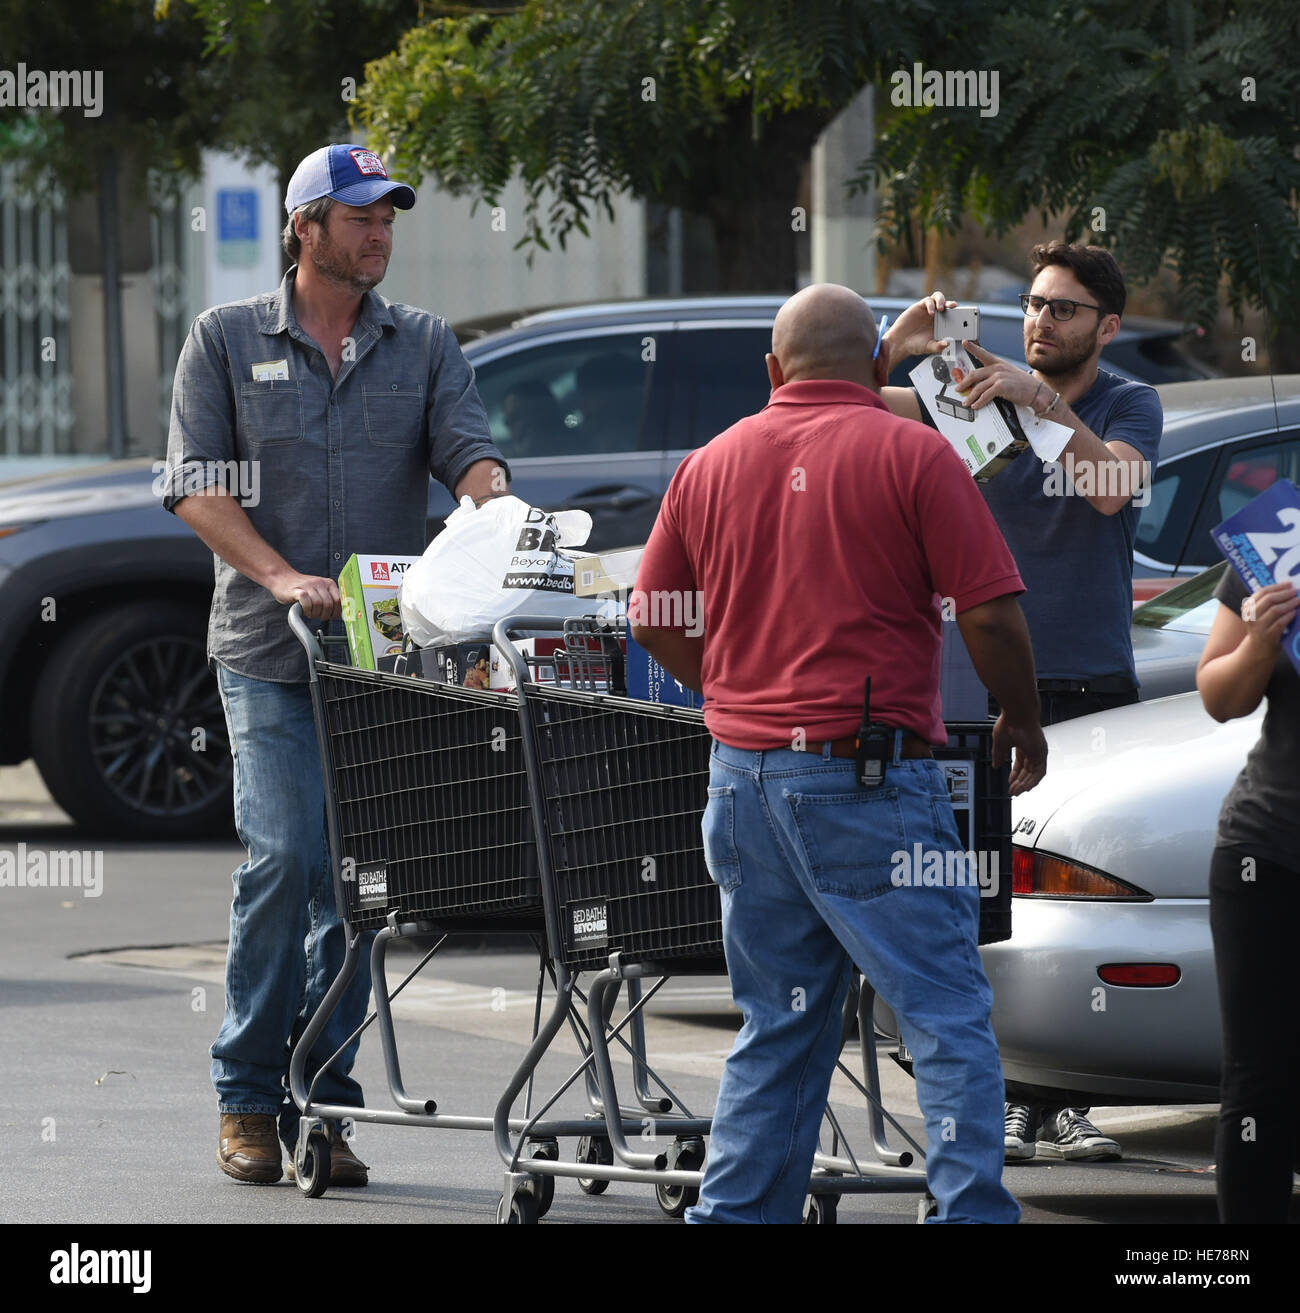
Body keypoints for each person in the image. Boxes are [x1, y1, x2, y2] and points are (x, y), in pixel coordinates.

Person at [630, 282, 1047, 1224]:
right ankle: (970, 1214)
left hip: (741, 781)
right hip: (870, 781)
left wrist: (734, 689)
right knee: (943, 1016)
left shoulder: (709, 462)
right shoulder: (913, 452)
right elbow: (987, 611)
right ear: (874, 368)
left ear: (772, 371)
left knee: (778, 1023)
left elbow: (651, 616)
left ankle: (733, 1217)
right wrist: (1022, 717)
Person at [162, 143, 508, 1186]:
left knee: (360, 884)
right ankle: (245, 1091)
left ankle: (326, 1097)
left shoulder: (426, 344)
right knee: (284, 859)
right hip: (270, 652)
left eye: (390, 218)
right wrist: (276, 574)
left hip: (380, 663)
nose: (380, 233)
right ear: (304, 227)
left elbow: (470, 456)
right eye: (360, 216)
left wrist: (496, 512)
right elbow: (193, 486)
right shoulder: (225, 340)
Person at [880, 242, 1163, 1165]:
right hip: (982, 687)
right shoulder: (971, 393)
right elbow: (840, 405)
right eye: (1036, 305)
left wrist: (1039, 402)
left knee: (1074, 906)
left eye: (1066, 309)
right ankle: (1003, 1094)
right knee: (980, 896)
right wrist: (893, 344)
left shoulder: (1127, 402)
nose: (1042, 321)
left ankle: (1069, 1101)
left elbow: (1113, 489)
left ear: (1106, 327)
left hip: (1088, 682)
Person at [1197, 568, 1300, 1223]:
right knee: (1260, 1083)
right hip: (1268, 854)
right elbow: (1218, 693)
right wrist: (1262, 641)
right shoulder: (1279, 548)